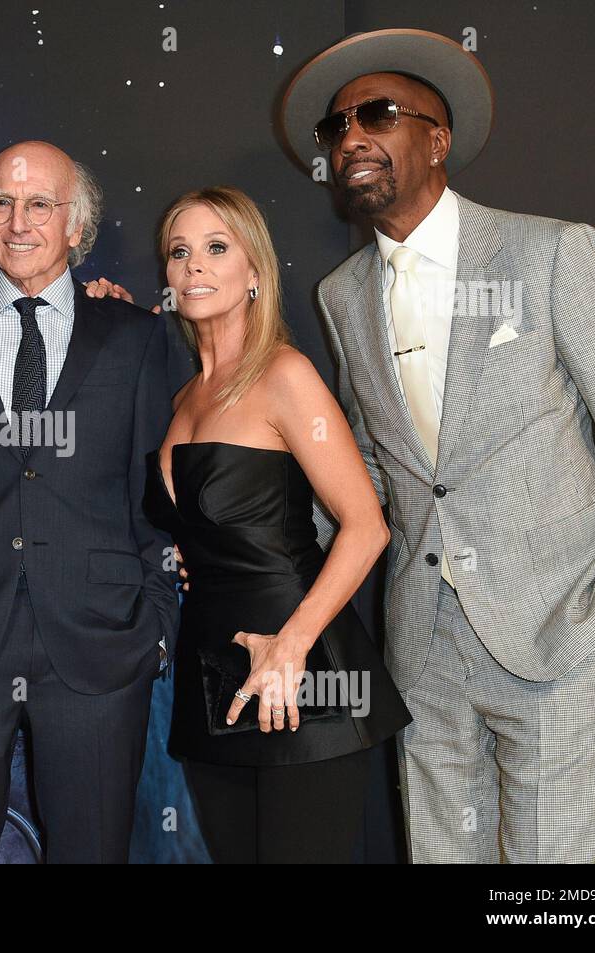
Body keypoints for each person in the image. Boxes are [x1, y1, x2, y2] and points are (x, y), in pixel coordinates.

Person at [281, 29, 595, 862]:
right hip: (424, 652)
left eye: (378, 114)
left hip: (562, 636)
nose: (351, 135)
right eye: (337, 125)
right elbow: (368, 472)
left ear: (437, 139)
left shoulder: (550, 253)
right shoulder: (342, 295)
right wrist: (254, 558)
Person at [0, 140, 189, 863]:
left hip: (103, 648)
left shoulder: (138, 338)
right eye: (2, 205)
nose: (20, 222)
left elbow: (156, 501)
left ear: (76, 227)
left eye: (41, 204)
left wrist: (157, 627)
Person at [142, 186, 410, 863]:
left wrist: (291, 646)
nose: (194, 266)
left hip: (303, 677)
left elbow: (366, 525)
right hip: (212, 680)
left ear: (254, 271)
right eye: (180, 252)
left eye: (216, 247)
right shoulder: (181, 399)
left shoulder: (284, 375)